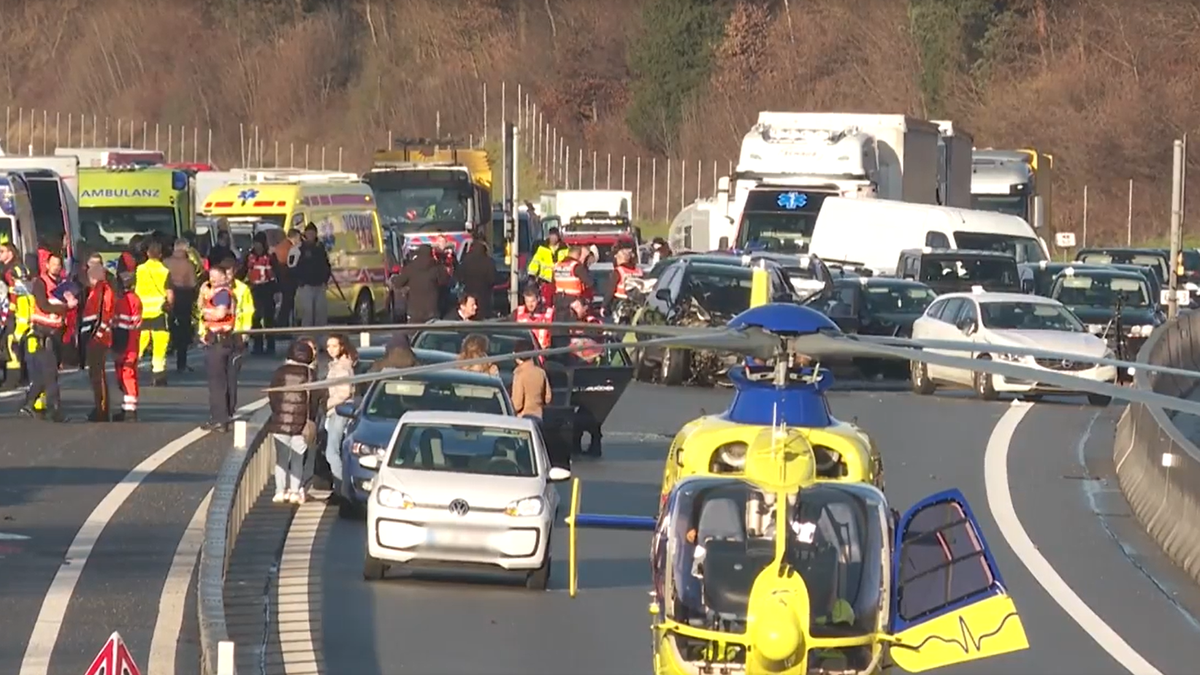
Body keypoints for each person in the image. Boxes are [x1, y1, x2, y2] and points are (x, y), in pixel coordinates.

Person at [20, 252, 74, 421]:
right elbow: (43, 305)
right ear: (47, 265)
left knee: (48, 374)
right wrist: (66, 306)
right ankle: (55, 410)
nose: (57, 267)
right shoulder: (40, 282)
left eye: (59, 264)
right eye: (54, 264)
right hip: (42, 333)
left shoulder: (63, 284)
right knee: (50, 373)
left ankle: (28, 404)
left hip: (57, 333)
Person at [267, 340, 317, 505]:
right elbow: (314, 400)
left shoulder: (280, 372)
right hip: (301, 424)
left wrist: (277, 413)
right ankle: (295, 491)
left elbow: (273, 395)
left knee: (281, 459)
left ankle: (280, 491)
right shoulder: (310, 374)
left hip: (280, 422)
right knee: (297, 458)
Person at [198, 264, 237, 432]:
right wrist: (202, 293)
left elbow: (220, 313)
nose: (212, 279)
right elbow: (201, 306)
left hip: (219, 341)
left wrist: (206, 313)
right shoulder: (217, 293)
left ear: (224, 277)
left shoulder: (222, 294)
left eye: (216, 276)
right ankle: (223, 416)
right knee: (223, 380)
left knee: (217, 382)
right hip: (222, 340)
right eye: (210, 276)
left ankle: (219, 419)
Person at [322, 334, 358, 497]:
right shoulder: (338, 365)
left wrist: (328, 404)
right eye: (328, 346)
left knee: (332, 451)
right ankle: (342, 487)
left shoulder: (342, 367)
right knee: (337, 450)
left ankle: (342, 489)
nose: (330, 349)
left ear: (342, 346)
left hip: (339, 411)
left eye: (334, 346)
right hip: (338, 410)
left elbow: (344, 392)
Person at [135, 240, 174, 386]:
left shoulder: (139, 270)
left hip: (142, 312)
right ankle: (158, 375)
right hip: (158, 312)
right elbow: (169, 293)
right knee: (160, 344)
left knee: (139, 342)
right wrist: (170, 306)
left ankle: (131, 369)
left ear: (147, 254)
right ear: (161, 255)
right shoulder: (164, 271)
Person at [80, 264, 115, 421]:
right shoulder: (100, 290)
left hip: (98, 338)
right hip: (96, 336)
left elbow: (104, 315)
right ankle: (99, 406)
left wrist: (96, 336)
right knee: (95, 374)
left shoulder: (102, 291)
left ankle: (101, 409)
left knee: (97, 374)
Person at [223, 257, 254, 414]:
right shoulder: (211, 289)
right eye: (225, 273)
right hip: (219, 335)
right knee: (219, 377)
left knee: (232, 374)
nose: (227, 276)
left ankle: (230, 407)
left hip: (237, 335)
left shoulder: (242, 289)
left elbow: (248, 312)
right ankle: (220, 409)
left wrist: (245, 334)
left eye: (230, 272)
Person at [111, 270, 142, 421]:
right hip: (132, 341)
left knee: (126, 374)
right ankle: (128, 407)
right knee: (127, 374)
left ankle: (130, 410)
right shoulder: (135, 299)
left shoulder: (122, 301)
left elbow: (120, 325)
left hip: (124, 341)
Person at [392, 244, 451, 324]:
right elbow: (446, 281)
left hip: (414, 311)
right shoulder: (437, 268)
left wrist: (395, 280)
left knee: (414, 335)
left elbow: (398, 283)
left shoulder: (410, 268)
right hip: (432, 310)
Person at [243, 233, 280, 355]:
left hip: (268, 289)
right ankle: (257, 344)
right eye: (256, 243)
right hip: (254, 289)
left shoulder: (271, 257)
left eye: (259, 243)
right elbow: (243, 271)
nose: (257, 245)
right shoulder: (249, 257)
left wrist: (278, 290)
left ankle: (270, 345)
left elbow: (277, 273)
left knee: (269, 318)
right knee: (255, 317)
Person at [165, 239, 199, 372]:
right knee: (183, 330)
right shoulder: (188, 264)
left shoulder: (165, 262)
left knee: (167, 328)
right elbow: (192, 283)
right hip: (184, 297)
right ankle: (181, 363)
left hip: (166, 296)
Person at [292, 223, 331, 328]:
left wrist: (325, 279)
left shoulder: (320, 248)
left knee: (320, 313)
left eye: (313, 233)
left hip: (319, 285)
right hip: (306, 285)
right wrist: (300, 281)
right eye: (309, 233)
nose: (311, 235)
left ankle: (320, 337)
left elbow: (326, 265)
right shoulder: (300, 248)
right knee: (308, 313)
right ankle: (307, 337)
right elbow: (293, 266)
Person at [455, 239, 497, 318]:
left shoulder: (466, 260)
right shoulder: (489, 261)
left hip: (469, 294)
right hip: (484, 295)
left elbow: (459, 276)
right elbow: (493, 279)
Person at [511, 339, 552, 420]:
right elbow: (548, 398)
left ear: (515, 355)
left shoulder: (519, 374)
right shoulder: (541, 372)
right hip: (538, 417)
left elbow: (517, 404)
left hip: (523, 419)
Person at [551, 245, 596, 315]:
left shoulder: (557, 265)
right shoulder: (576, 266)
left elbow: (553, 283)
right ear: (578, 255)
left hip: (558, 301)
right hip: (573, 302)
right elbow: (590, 282)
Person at [603, 245, 643, 318]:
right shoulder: (639, 271)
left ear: (620, 259)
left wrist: (604, 305)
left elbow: (610, 290)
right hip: (637, 305)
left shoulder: (618, 271)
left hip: (621, 305)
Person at [512, 284, 555, 350]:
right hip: (523, 354)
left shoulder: (549, 313)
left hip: (544, 355)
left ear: (538, 299)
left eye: (533, 301)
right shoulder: (517, 313)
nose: (530, 305)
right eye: (527, 301)